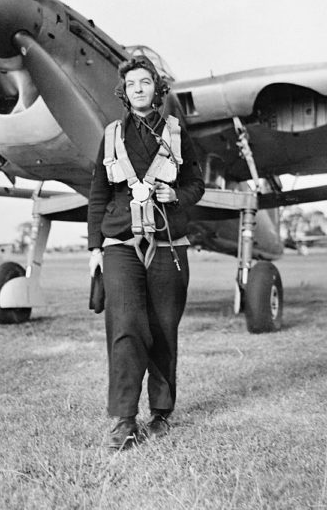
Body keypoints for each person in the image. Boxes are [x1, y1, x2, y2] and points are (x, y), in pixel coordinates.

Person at [87, 55, 205, 450]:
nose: (138, 88)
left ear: (157, 89)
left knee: (163, 329)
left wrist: (177, 195)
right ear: (124, 92)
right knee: (125, 327)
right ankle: (124, 419)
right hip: (121, 246)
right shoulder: (111, 135)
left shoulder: (177, 133)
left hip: (169, 244)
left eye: (145, 82)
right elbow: (98, 195)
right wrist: (94, 247)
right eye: (131, 84)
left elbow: (196, 184)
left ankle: (161, 413)